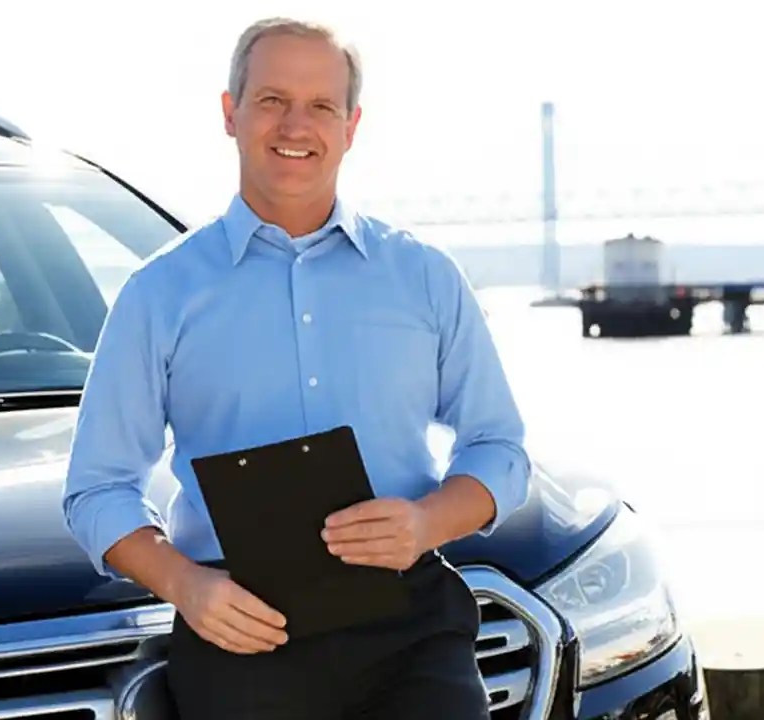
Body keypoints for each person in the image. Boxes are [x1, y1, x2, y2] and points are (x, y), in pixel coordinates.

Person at [61, 15, 531, 719]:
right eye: (273, 99)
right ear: (231, 112)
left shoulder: (425, 277)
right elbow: (96, 490)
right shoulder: (159, 294)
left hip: (412, 624)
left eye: (321, 106)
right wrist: (186, 587)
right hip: (240, 627)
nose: (296, 125)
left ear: (352, 124)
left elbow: (501, 452)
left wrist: (427, 521)